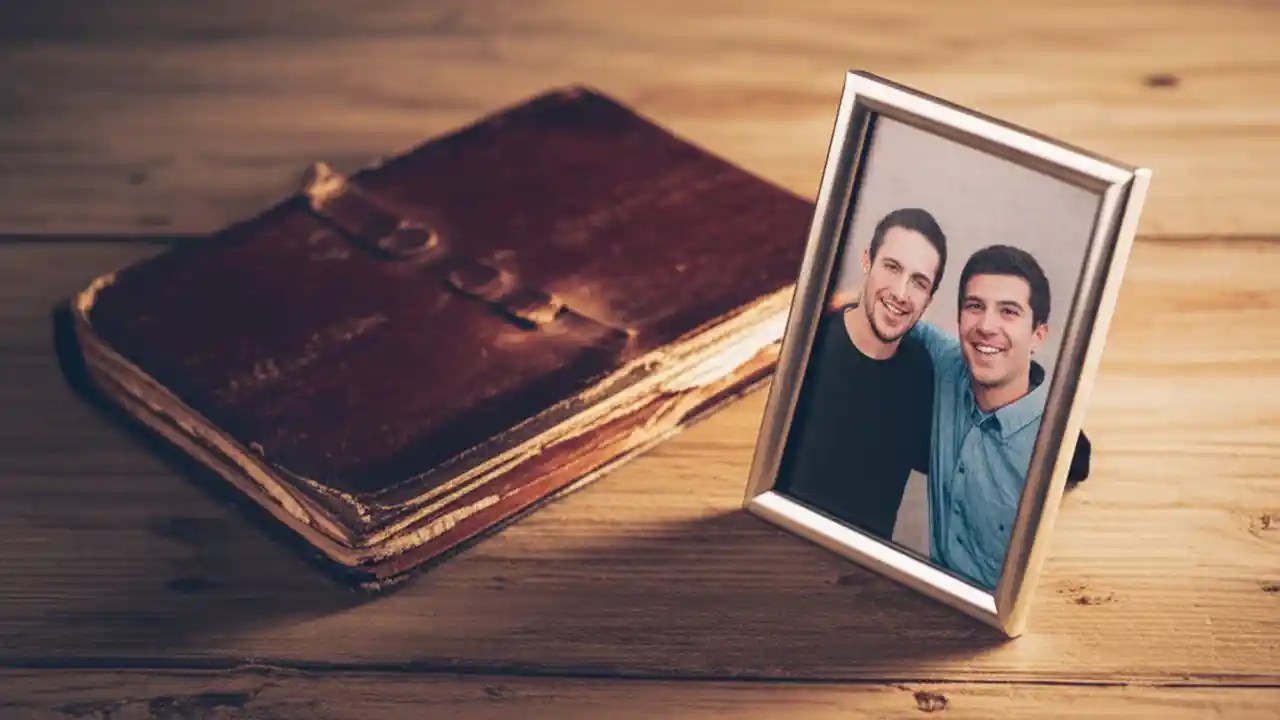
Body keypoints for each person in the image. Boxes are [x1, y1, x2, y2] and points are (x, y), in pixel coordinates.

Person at [777, 208, 946, 540]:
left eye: (919, 282)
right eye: (892, 267)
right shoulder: (809, 345)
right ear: (867, 262)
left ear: (930, 298)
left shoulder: (921, 370)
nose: (901, 293)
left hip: (857, 566)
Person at [909, 244, 1066, 590]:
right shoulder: (949, 364)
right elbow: (897, 315)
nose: (986, 326)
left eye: (1008, 312)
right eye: (975, 307)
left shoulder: (1054, 447)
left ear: (1037, 336)